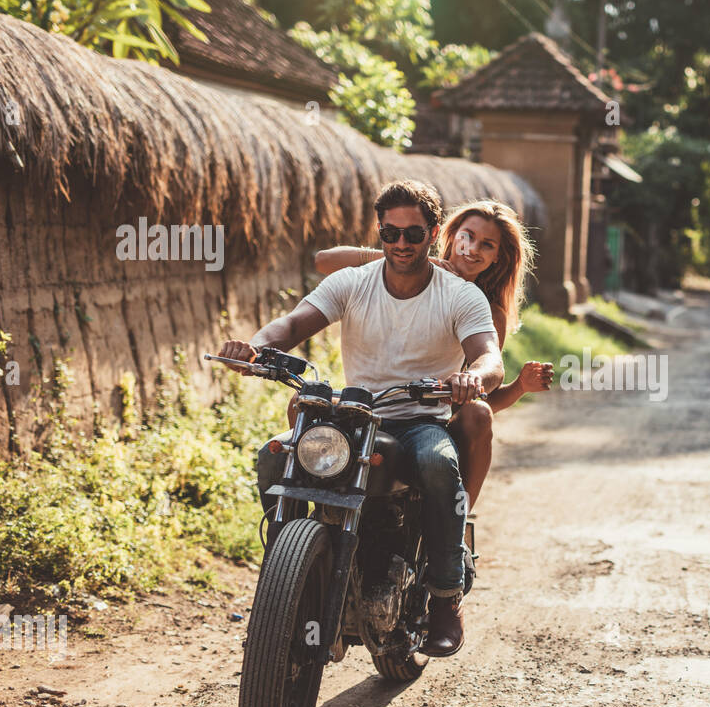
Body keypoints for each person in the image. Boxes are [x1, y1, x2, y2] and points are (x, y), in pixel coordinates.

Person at [217, 179, 502, 657]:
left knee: (436, 464)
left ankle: (446, 597)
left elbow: (489, 357)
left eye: (413, 234)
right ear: (380, 233)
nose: (401, 244)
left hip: (418, 421)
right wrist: (256, 348)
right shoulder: (352, 282)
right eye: (391, 234)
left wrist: (474, 378)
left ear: (433, 234)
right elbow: (292, 324)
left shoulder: (460, 296)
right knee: (273, 457)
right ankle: (284, 586)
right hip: (355, 417)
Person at [314, 199, 554, 512]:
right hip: (371, 404)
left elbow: (478, 400)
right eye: (467, 236)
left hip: (432, 421)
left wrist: (519, 387)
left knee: (477, 415)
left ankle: (457, 524)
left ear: (497, 257)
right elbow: (323, 260)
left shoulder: (487, 313)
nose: (473, 248)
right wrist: (402, 261)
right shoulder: (403, 273)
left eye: (487, 245)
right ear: (450, 236)